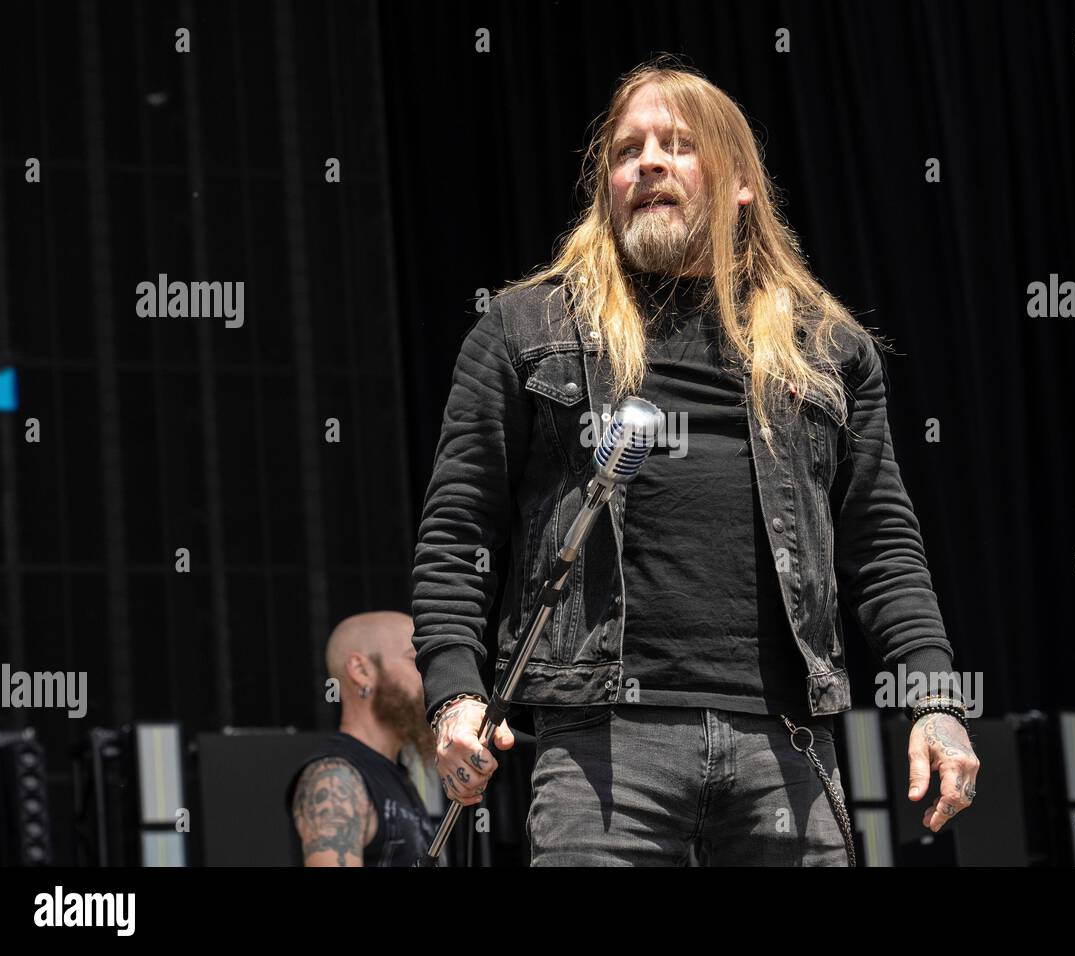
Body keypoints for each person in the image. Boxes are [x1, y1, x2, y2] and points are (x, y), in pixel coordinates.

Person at [411, 55, 978, 866]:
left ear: (740, 181)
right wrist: (457, 695)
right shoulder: (526, 328)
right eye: (625, 149)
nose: (647, 161)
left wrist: (934, 699)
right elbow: (458, 531)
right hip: (604, 755)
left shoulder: (827, 350)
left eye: (677, 145)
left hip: (784, 749)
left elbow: (883, 544)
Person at [286, 611, 438, 866]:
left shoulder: (394, 775)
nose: (430, 677)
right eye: (415, 660)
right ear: (360, 670)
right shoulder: (337, 777)